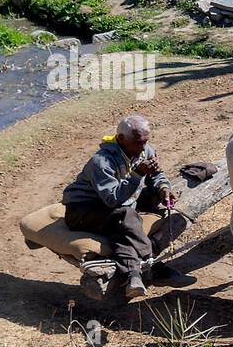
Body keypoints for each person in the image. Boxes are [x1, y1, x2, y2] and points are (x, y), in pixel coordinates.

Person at [62, 115, 190, 300]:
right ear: (121, 139)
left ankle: (136, 276)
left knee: (124, 227)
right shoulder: (102, 162)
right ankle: (151, 269)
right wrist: (138, 173)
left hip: (121, 203)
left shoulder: (145, 150)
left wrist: (163, 188)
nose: (143, 147)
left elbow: (156, 175)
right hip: (83, 210)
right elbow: (113, 200)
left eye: (146, 141)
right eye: (138, 142)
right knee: (125, 217)